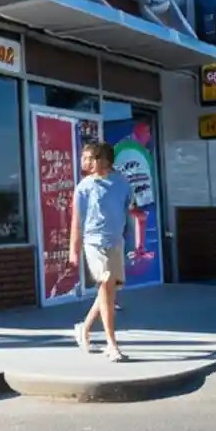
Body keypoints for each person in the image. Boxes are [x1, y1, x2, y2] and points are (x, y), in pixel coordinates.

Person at [70, 141, 133, 362]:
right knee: (106, 283)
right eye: (84, 157)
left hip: (115, 242)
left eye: (90, 158)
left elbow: (130, 214)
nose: (85, 162)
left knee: (109, 290)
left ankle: (84, 328)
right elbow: (77, 221)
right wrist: (74, 249)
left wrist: (134, 245)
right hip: (94, 242)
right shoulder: (84, 187)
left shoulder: (122, 183)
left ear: (104, 160)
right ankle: (111, 344)